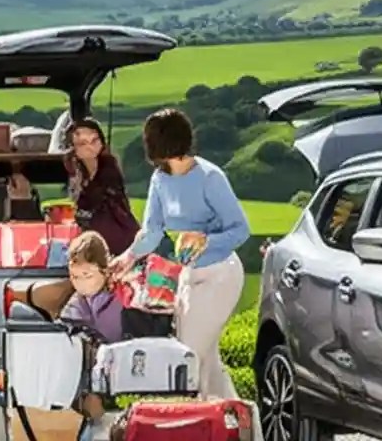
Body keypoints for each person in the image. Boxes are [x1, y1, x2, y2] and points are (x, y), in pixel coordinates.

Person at [110, 108, 250, 400]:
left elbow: (241, 230)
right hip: (187, 276)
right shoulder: (160, 180)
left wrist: (206, 240)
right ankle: (242, 425)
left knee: (189, 357)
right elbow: (152, 232)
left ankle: (193, 423)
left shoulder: (211, 177)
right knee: (207, 363)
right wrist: (126, 259)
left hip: (220, 274)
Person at [63, 117, 139, 255]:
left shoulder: (109, 171)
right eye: (82, 143)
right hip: (93, 244)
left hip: (119, 241)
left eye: (94, 140)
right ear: (73, 148)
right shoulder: (77, 175)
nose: (90, 146)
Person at [59, 231, 124, 344]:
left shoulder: (122, 298)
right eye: (75, 277)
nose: (81, 283)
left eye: (87, 276)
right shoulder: (75, 304)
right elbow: (64, 330)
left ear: (105, 271)